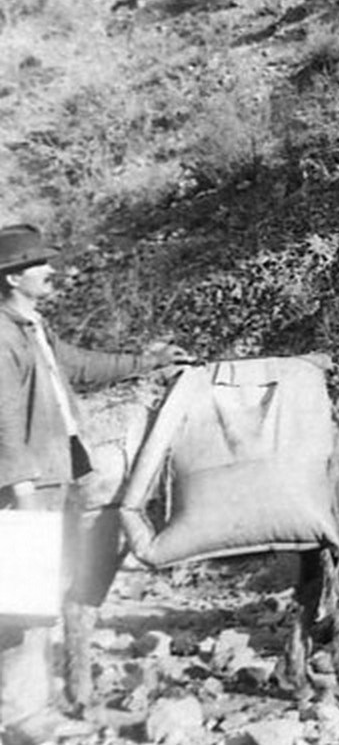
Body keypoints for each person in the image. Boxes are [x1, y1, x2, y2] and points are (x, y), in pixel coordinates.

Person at [0, 223, 191, 745]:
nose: (51, 271)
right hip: (23, 487)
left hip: (47, 478)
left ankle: (31, 705)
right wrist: (20, 496)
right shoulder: (1, 335)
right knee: (23, 599)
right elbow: (3, 420)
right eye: (40, 264)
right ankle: (23, 715)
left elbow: (81, 366)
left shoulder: (29, 326)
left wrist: (147, 363)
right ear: (14, 277)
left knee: (37, 593)